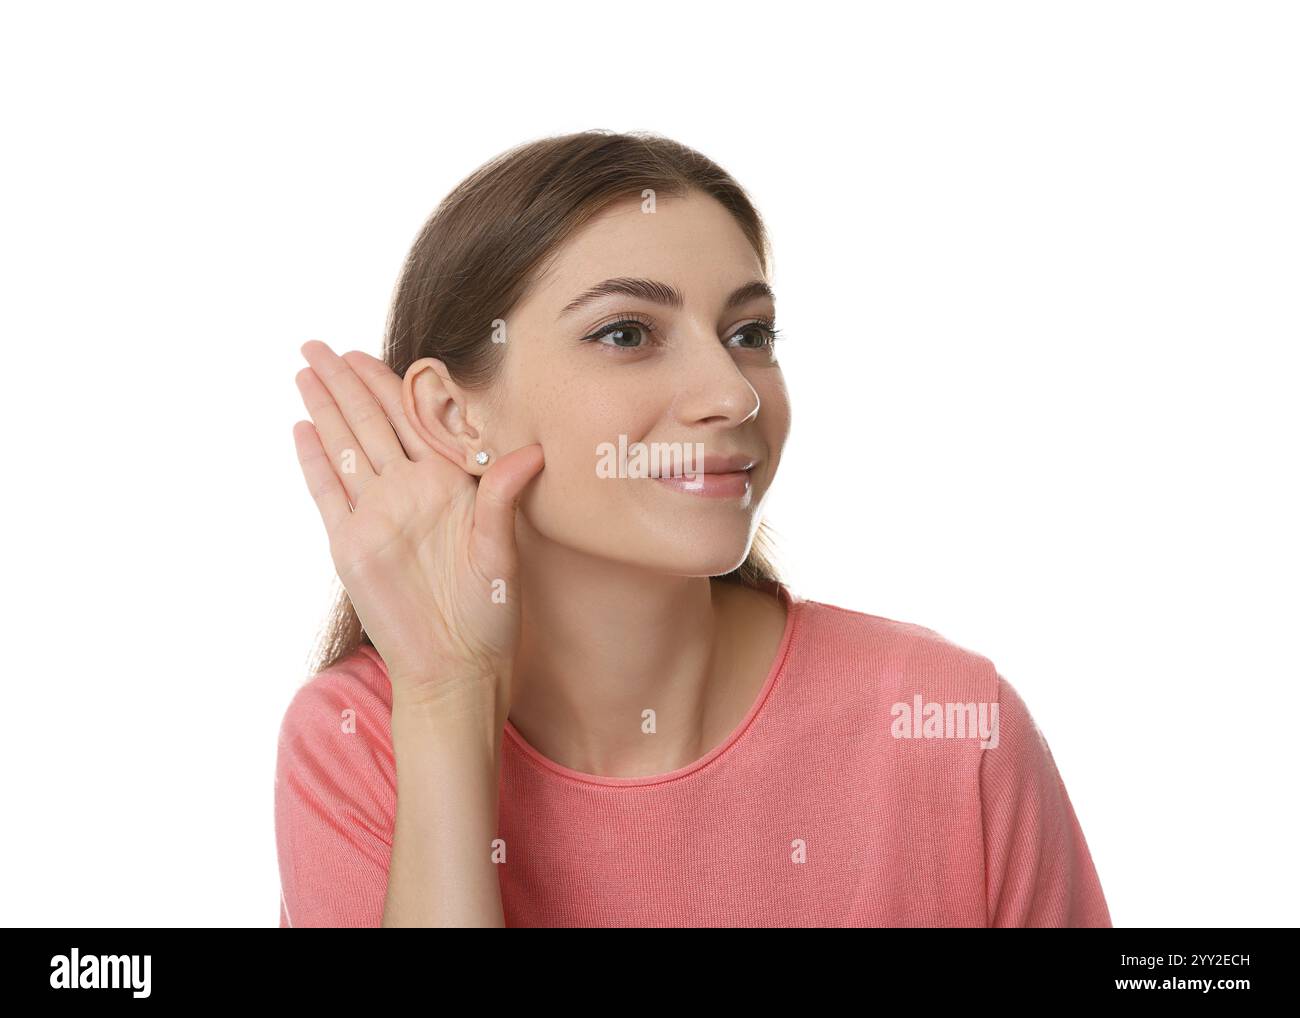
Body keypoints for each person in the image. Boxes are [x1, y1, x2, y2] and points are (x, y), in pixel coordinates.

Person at [275, 129, 1112, 928]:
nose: (733, 393)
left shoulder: (947, 719)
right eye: (627, 334)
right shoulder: (358, 744)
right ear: (455, 415)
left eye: (749, 335)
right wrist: (447, 700)